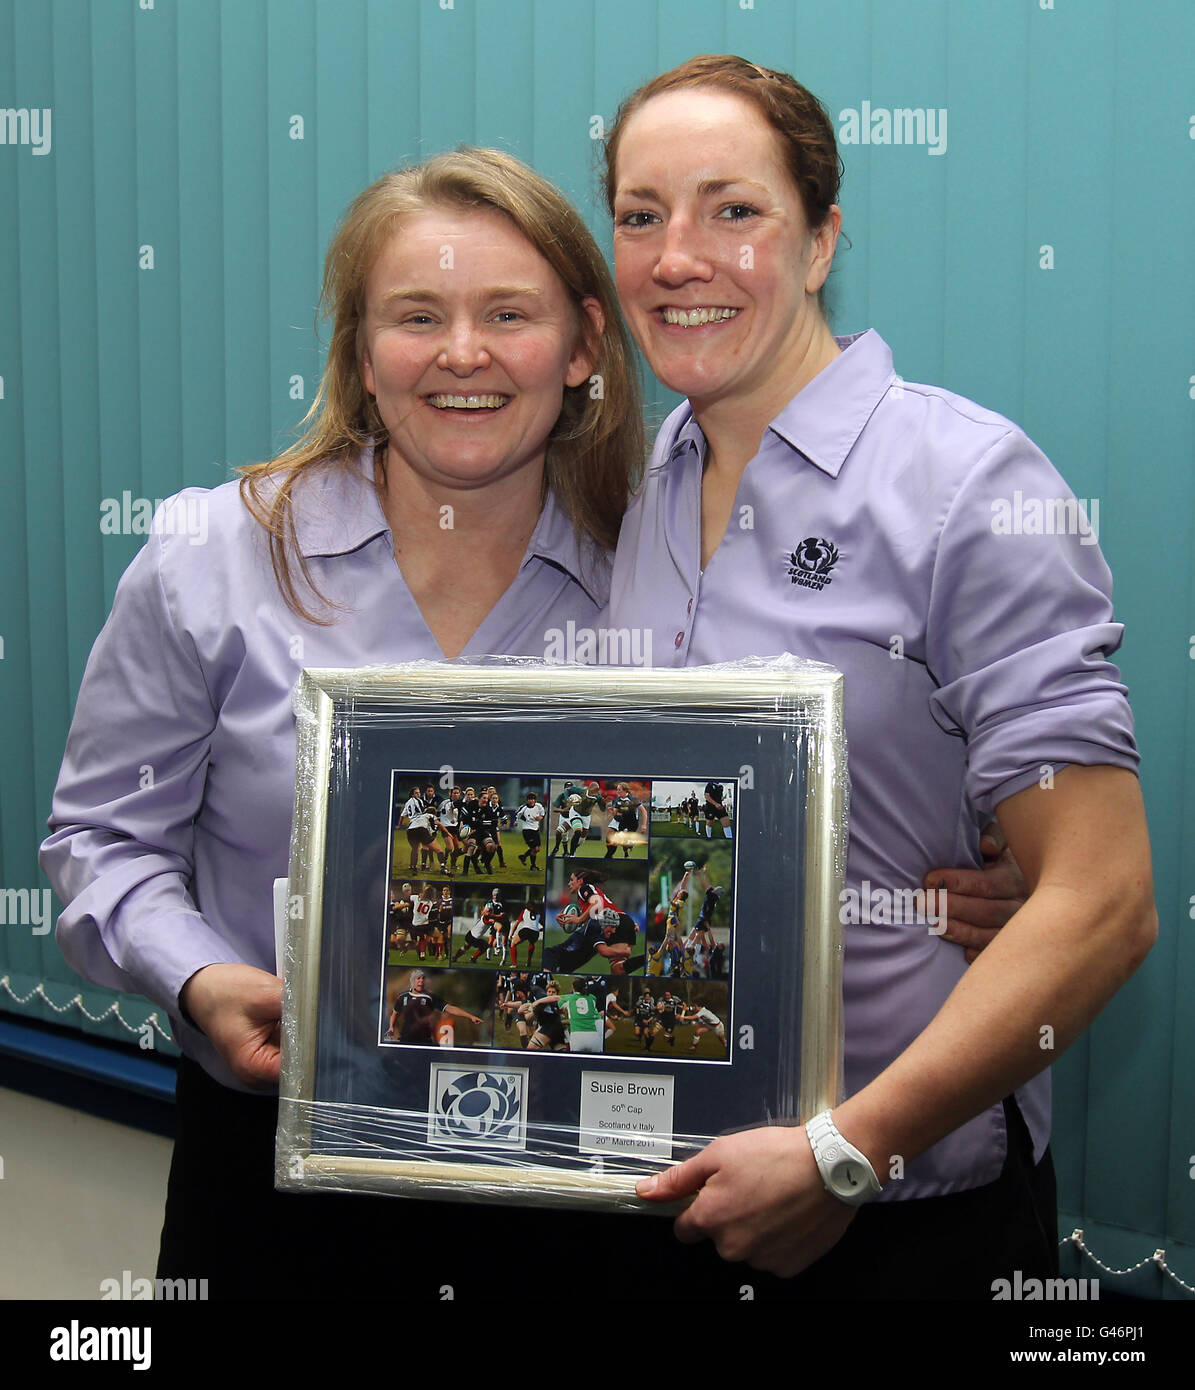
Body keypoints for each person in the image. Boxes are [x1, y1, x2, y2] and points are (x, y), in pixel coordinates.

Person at [38, 146, 643, 1298]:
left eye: (507, 313)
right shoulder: (211, 556)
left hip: (579, 1183)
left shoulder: (660, 572)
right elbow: (101, 846)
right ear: (363, 358)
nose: (461, 352)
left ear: (581, 347)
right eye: (416, 316)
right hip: (273, 1176)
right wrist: (204, 977)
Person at [602, 55, 1155, 1296]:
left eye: (732, 209)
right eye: (640, 216)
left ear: (820, 240)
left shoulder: (969, 486)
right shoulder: (626, 491)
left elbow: (1104, 899)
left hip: (903, 1216)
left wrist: (846, 1151)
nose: (676, 256)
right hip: (665, 1182)